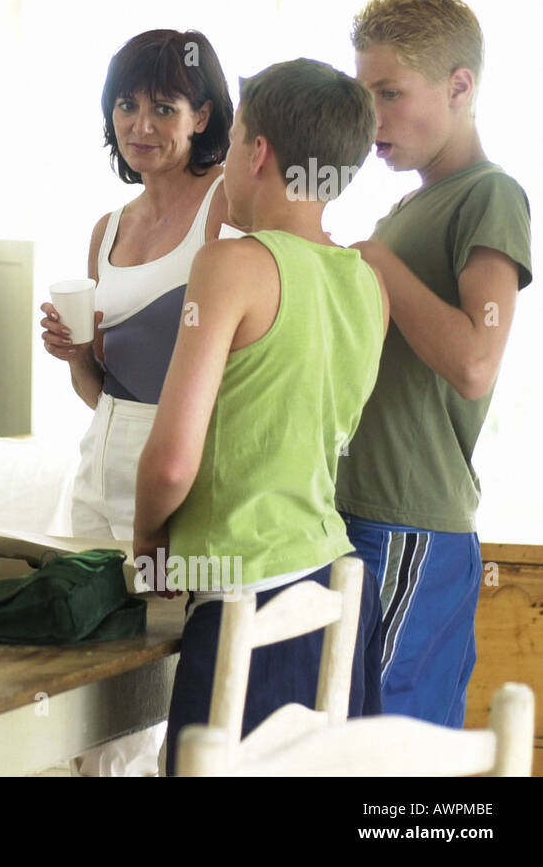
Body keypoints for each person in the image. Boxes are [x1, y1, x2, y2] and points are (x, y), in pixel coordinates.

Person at [132, 58, 391, 776]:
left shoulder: (231, 267)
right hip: (337, 582)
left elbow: (173, 459)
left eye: (237, 132)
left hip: (246, 589)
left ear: (257, 151)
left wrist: (150, 539)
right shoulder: (367, 283)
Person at [336, 0, 532, 726]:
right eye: (363, 94)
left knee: (390, 755)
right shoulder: (408, 207)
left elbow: (477, 361)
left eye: (390, 92)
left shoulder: (491, 196)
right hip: (366, 517)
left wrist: (378, 264)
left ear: (460, 86)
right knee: (352, 741)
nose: (371, 119)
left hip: (410, 523)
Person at [40, 29, 234, 541]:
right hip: (99, 467)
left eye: (165, 109)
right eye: (126, 105)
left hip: (182, 471)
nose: (140, 126)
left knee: (166, 620)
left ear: (203, 116)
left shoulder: (226, 202)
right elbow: (98, 394)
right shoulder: (108, 229)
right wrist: (78, 354)